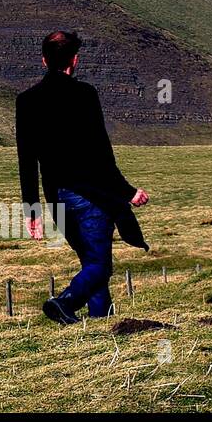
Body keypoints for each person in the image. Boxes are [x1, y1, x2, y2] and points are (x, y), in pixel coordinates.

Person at [16, 31, 150, 324]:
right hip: (90, 197)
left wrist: (32, 210)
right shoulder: (85, 95)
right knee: (100, 266)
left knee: (91, 262)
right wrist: (128, 192)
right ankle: (64, 302)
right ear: (74, 60)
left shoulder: (26, 101)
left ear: (43, 60)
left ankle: (100, 324)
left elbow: (27, 161)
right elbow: (102, 155)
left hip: (57, 198)